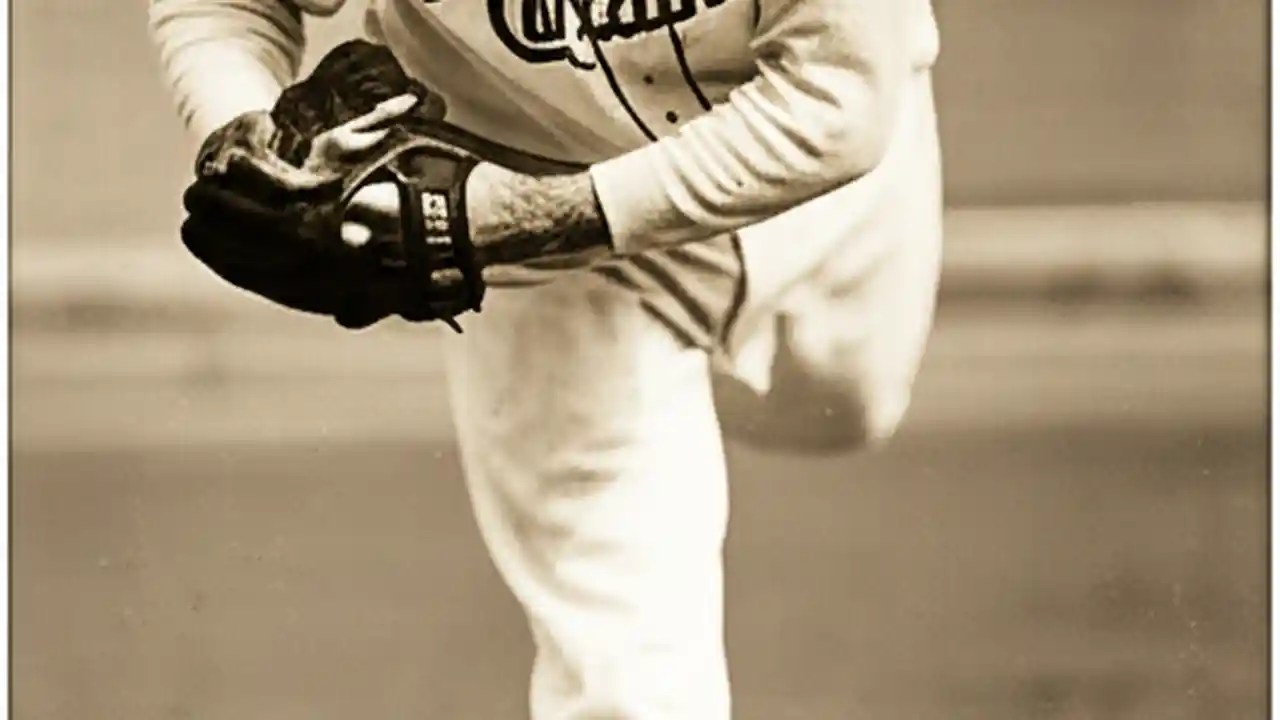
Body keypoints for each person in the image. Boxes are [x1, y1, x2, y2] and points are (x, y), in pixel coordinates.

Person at [148, 0, 944, 717]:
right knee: (624, 680)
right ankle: (654, 387)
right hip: (548, 246)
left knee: (851, 404)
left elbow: (835, 98)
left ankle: (688, 375)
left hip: (807, 176)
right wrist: (241, 132)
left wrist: (528, 217)